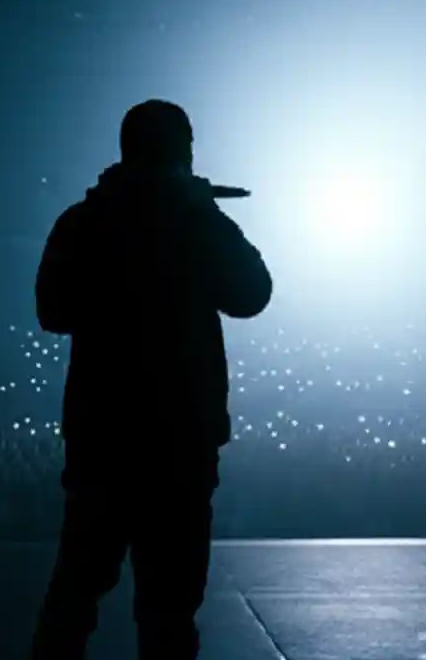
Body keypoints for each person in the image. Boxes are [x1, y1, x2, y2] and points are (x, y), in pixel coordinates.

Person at [30, 99, 273, 659]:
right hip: (181, 443)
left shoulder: (82, 220)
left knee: (74, 597)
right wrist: (200, 215)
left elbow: (52, 311)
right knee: (169, 610)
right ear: (184, 152)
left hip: (102, 438)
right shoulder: (195, 221)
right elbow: (253, 293)